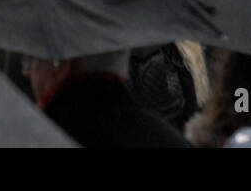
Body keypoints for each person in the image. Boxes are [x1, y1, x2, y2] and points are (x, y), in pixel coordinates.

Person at [25, 50, 191, 148]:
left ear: (61, 65)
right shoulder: (169, 142)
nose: (26, 72)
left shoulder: (27, 137)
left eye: (30, 62)